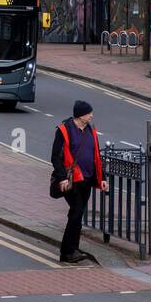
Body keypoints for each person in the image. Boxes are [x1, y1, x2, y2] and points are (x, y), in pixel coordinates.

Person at [51, 100, 109, 263]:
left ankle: (72, 249)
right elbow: (56, 156)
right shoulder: (64, 130)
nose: (92, 115)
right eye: (89, 113)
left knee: (77, 214)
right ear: (81, 115)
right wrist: (62, 177)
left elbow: (97, 156)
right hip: (72, 180)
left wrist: (102, 178)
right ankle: (67, 252)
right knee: (76, 211)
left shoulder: (91, 130)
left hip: (88, 180)